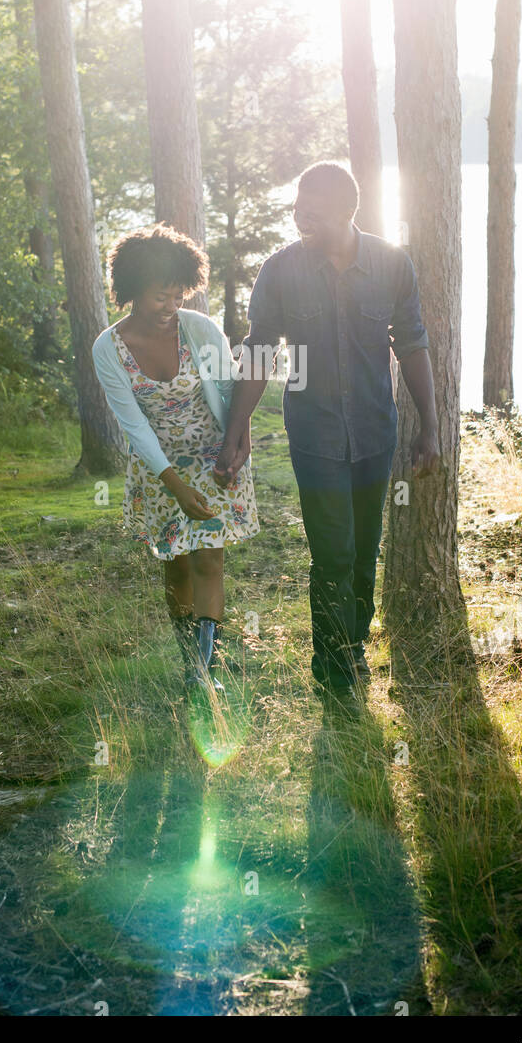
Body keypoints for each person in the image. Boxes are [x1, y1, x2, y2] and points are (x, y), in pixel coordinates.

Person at [214, 161, 440, 710]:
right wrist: (235, 430)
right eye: (296, 204)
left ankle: (353, 649)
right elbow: (261, 350)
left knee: (365, 554)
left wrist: (430, 427)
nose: (299, 214)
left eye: (311, 205)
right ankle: (334, 670)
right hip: (314, 436)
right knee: (333, 555)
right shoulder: (281, 271)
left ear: (346, 209)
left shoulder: (391, 265)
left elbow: (411, 343)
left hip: (374, 432)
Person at [92, 223, 259, 692]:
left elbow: (230, 395)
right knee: (177, 563)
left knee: (209, 561)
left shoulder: (201, 329)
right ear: (131, 291)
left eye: (177, 295)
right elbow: (133, 425)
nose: (170, 307)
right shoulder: (109, 349)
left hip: (213, 459)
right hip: (159, 467)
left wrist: (235, 447)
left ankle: (203, 673)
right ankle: (190, 657)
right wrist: (174, 485)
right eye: (159, 297)